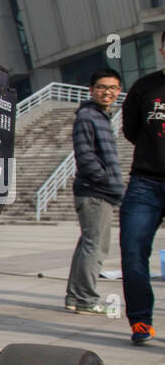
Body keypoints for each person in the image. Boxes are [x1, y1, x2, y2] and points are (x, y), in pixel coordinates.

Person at [65, 69, 124, 315]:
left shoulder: (100, 116)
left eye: (112, 88)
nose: (107, 92)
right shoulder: (88, 116)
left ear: (119, 91)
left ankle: (75, 297)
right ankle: (86, 299)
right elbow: (85, 156)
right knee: (96, 247)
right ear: (91, 90)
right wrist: (105, 178)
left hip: (97, 190)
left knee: (88, 244)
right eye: (102, 87)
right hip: (95, 191)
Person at [119, 32, 165, 345]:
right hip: (145, 183)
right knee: (133, 251)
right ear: (162, 50)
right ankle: (141, 321)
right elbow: (132, 130)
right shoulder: (144, 87)